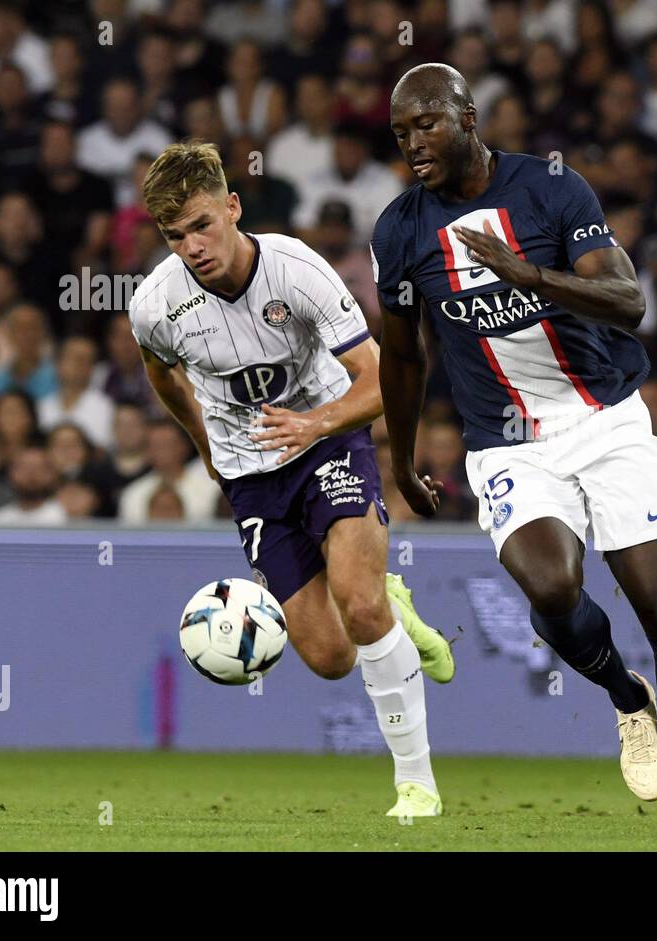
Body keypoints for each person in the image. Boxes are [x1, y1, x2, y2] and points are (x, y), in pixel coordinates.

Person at [373, 64, 657, 833]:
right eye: (402, 131)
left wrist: (528, 275)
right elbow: (404, 355)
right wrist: (403, 457)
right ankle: (626, 696)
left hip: (603, 417)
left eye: (428, 124)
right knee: (550, 588)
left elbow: (628, 301)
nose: (414, 143)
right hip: (506, 443)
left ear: (470, 117)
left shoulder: (550, 188)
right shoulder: (401, 231)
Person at [129, 140, 454, 819]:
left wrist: (318, 424)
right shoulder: (155, 305)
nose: (191, 246)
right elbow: (162, 374)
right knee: (332, 655)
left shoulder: (297, 270)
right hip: (251, 475)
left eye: (201, 224)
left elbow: (382, 378)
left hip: (328, 443)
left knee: (359, 606)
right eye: (174, 234)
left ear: (233, 206)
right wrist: (205, 446)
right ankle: (393, 594)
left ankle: (416, 784)